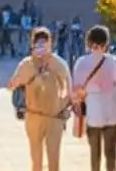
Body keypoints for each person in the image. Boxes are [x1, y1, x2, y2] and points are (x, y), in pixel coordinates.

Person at [9, 27, 73, 171]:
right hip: (33, 115)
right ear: (33, 44)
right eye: (38, 43)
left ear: (51, 44)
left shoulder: (59, 64)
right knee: (36, 159)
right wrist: (28, 76)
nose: (42, 46)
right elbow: (13, 85)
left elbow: (69, 89)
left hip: (54, 117)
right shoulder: (27, 64)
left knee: (53, 159)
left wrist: (65, 106)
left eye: (45, 43)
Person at [73, 25, 116, 171]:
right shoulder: (115, 62)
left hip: (93, 114)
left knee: (94, 156)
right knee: (111, 156)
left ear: (88, 42)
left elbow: (76, 92)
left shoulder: (81, 63)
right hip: (112, 114)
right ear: (106, 43)